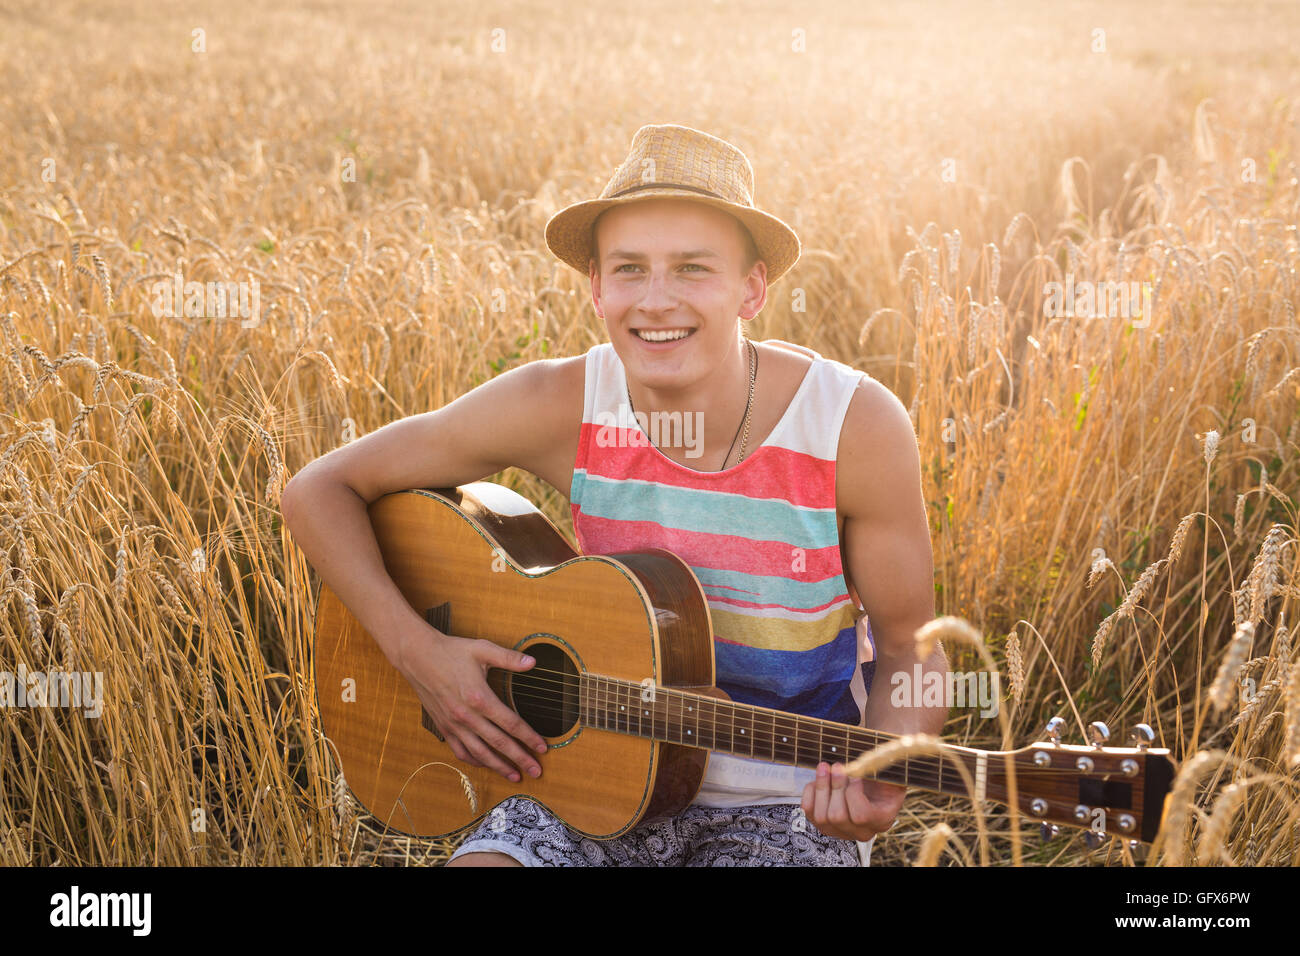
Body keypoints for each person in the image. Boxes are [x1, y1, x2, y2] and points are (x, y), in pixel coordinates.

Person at [281, 123, 948, 867]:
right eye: (630, 269)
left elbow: (910, 650)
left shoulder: (850, 426)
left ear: (751, 288)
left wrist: (886, 770)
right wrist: (419, 653)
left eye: (693, 269)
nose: (656, 301)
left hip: (782, 799)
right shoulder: (561, 403)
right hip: (574, 777)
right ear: (596, 286)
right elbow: (320, 488)